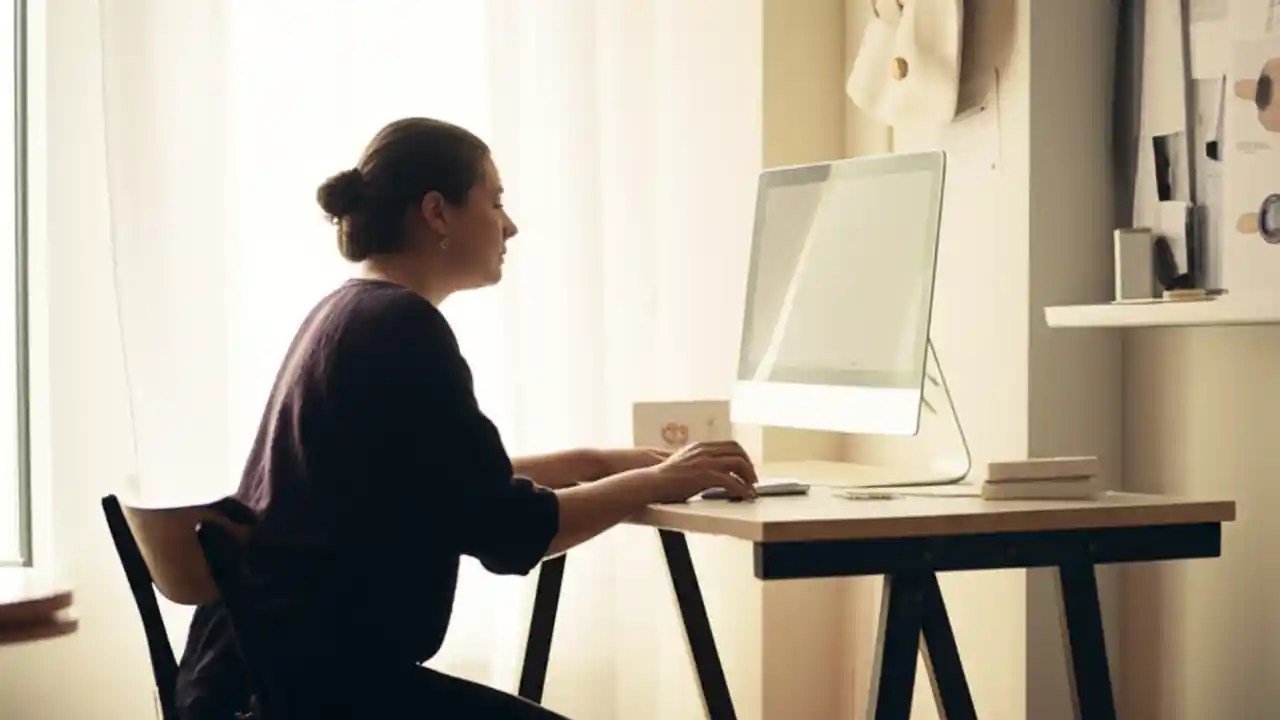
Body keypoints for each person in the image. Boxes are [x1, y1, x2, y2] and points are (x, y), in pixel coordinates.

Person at [174, 117, 760, 720]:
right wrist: (659, 481)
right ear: (437, 213)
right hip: (322, 693)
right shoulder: (402, 328)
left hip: (244, 681)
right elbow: (508, 531)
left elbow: (434, 484)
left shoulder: (347, 312)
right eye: (496, 200)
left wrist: (592, 463)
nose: (510, 225)